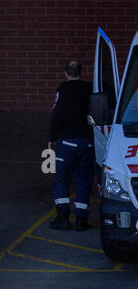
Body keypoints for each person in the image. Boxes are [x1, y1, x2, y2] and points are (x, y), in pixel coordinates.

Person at [48, 60, 94, 231]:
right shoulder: (89, 89)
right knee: (84, 179)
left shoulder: (63, 89)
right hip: (86, 142)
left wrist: (52, 137)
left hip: (66, 142)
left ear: (66, 73)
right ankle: (81, 219)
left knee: (61, 178)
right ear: (81, 73)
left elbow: (57, 115)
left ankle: (62, 217)